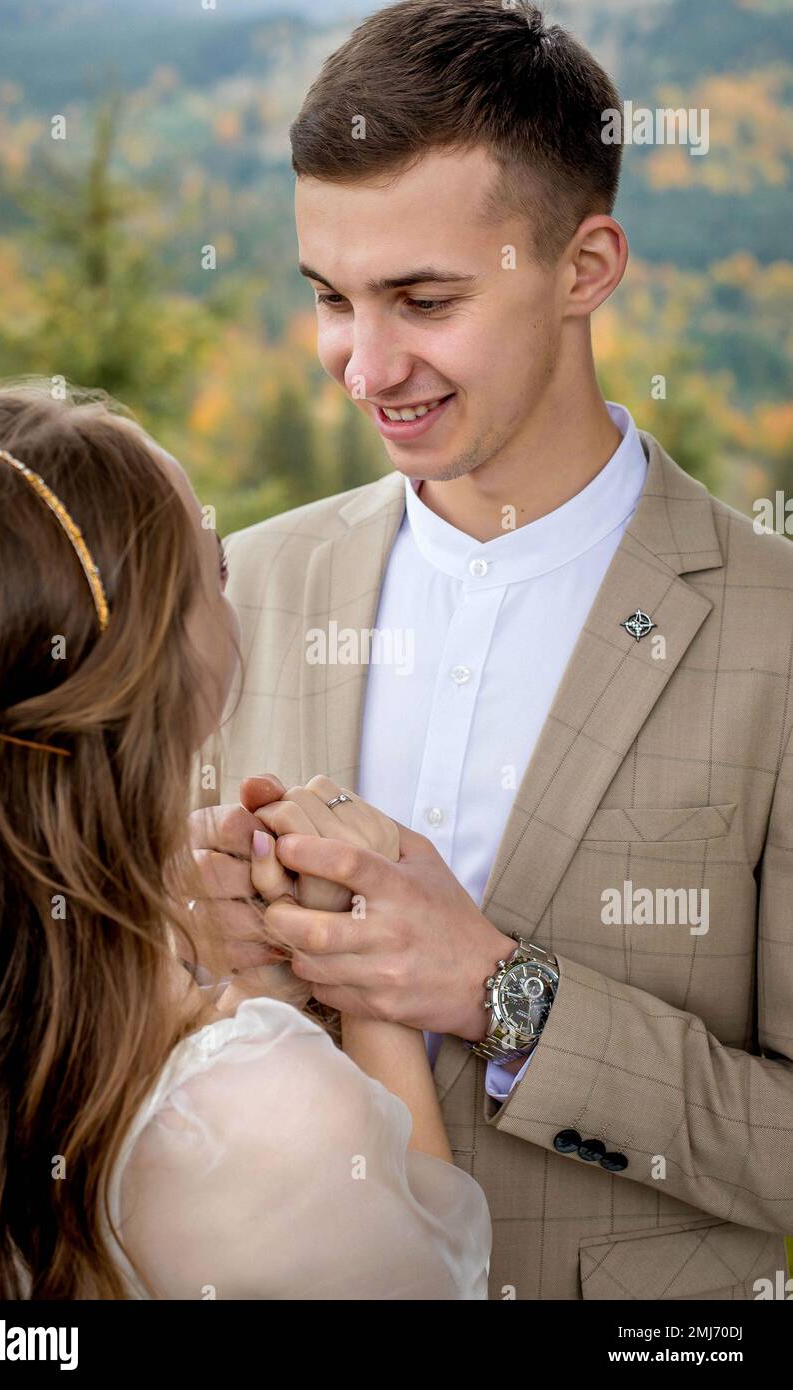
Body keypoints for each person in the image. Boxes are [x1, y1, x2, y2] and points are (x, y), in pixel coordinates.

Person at [205, 1, 793, 1299]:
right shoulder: (244, 585)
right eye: (330, 300)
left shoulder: (775, 634)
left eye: (423, 300)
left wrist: (502, 994)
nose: (363, 367)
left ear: (584, 267)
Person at [0, 381, 492, 1300]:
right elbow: (436, 1268)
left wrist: (188, 944)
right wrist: (369, 986)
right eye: (215, 573)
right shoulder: (254, 1113)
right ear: (172, 666)